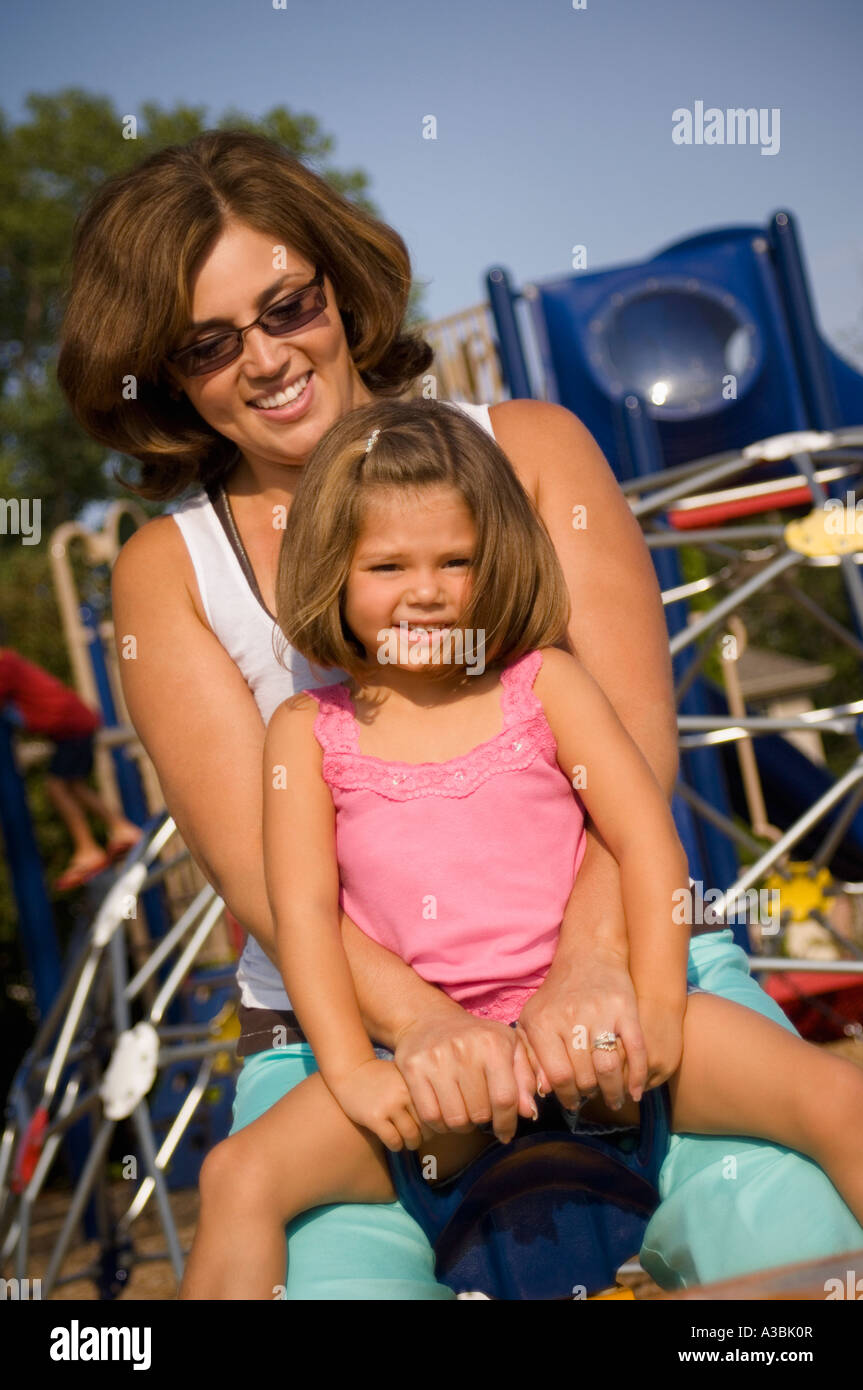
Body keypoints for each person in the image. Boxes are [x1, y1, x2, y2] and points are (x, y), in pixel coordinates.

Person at [57, 129, 863, 1297]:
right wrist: (429, 1027)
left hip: (624, 964)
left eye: (288, 305)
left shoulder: (529, 451)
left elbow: (630, 763)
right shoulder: (169, 570)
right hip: (353, 1028)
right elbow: (275, 894)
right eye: (207, 342)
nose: (268, 358)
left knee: (790, 1247)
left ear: (335, 279)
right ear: (164, 370)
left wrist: (589, 967)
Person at [178, 399, 863, 1297]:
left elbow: (646, 843)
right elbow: (298, 914)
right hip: (429, 1071)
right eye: (386, 565)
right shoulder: (308, 732)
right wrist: (348, 1069)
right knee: (238, 1177)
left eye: (453, 561)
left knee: (838, 1098)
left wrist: (656, 1003)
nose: (424, 589)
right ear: (329, 574)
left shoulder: (544, 684)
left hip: (604, 1037)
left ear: (493, 559)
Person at [0, 642, 141, 889]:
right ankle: (121, 828)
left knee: (56, 786)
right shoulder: (9, 662)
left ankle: (87, 848)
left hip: (70, 726)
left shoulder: (5, 664)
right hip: (74, 724)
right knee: (72, 785)